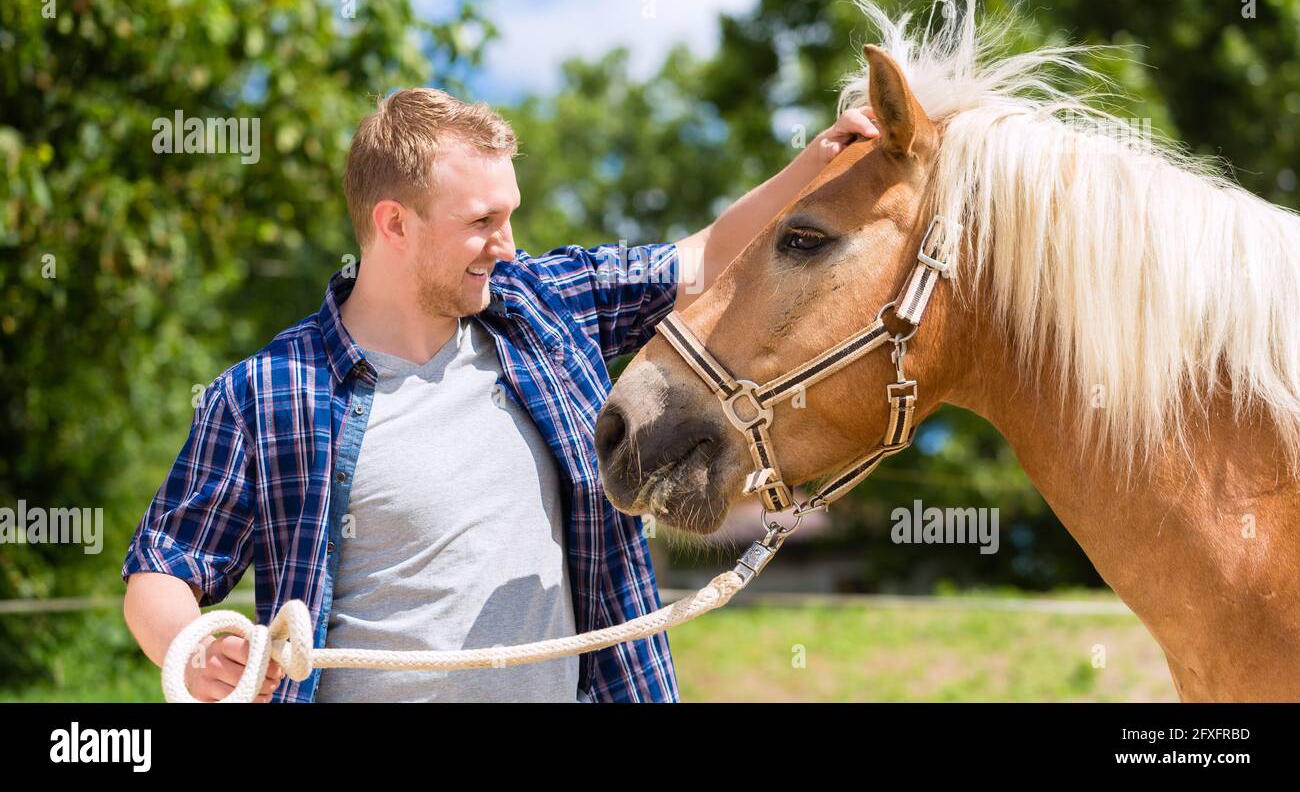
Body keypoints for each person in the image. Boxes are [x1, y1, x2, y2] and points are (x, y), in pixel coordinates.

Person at [120, 87, 878, 702]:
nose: (508, 244)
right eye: (483, 221)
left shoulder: (546, 306)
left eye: (509, 213)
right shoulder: (267, 394)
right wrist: (190, 650)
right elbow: (161, 568)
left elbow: (708, 257)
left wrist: (818, 161)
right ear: (395, 225)